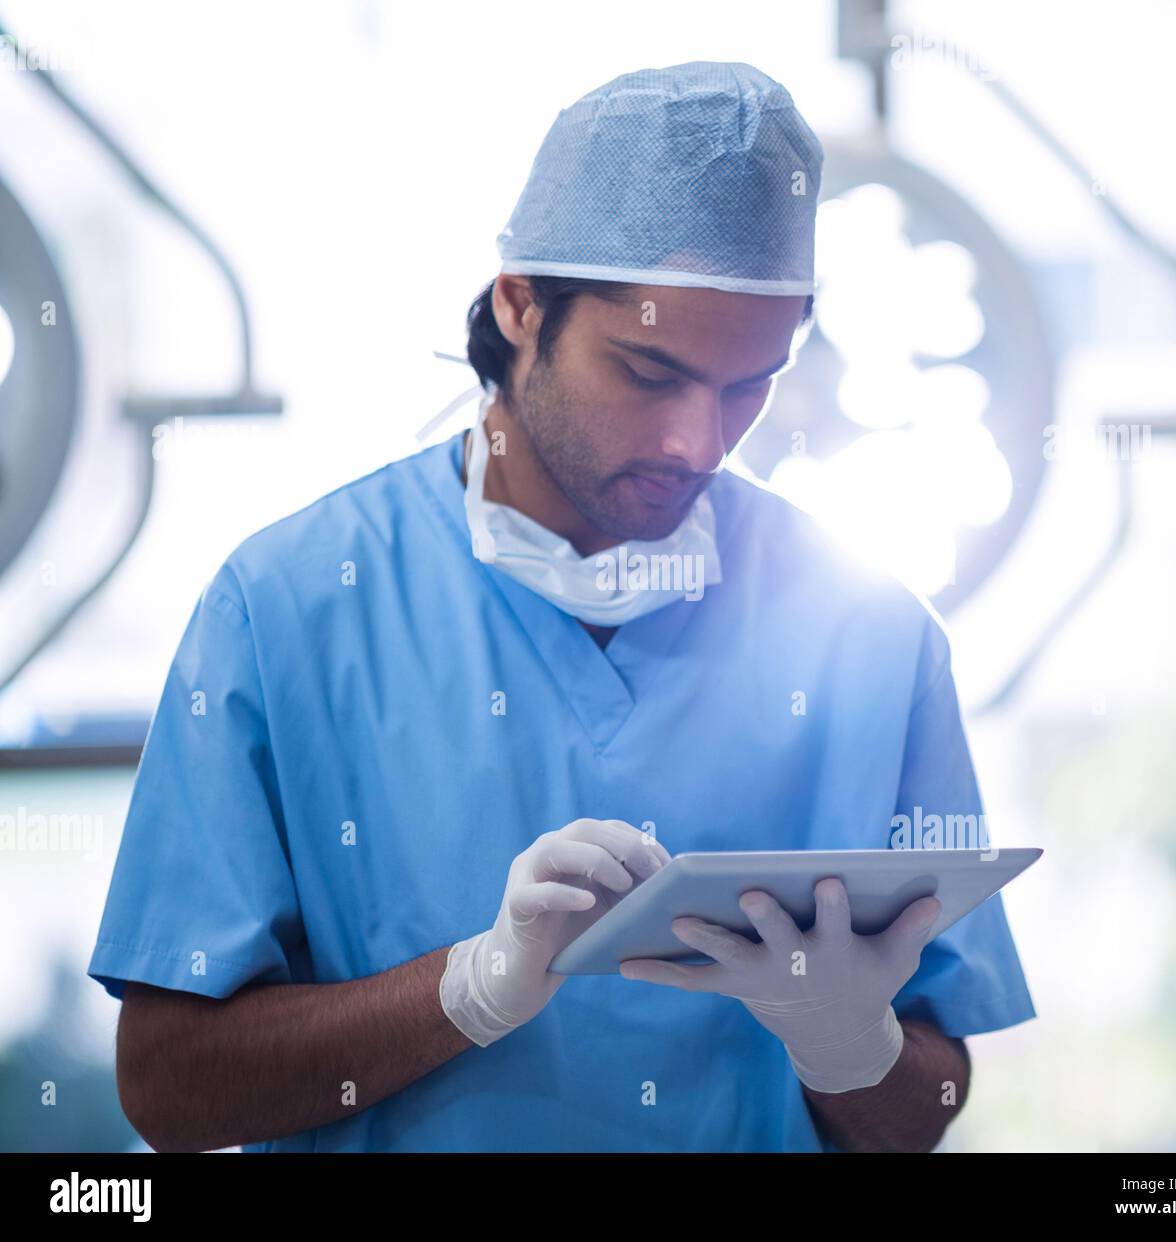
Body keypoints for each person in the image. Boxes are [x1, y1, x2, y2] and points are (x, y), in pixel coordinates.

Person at [88, 60, 1035, 1154]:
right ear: (518, 303)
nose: (698, 439)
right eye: (647, 370)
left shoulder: (870, 639)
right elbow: (167, 1089)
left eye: (747, 385)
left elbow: (921, 1115)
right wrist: (468, 989)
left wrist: (849, 1045)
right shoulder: (289, 610)